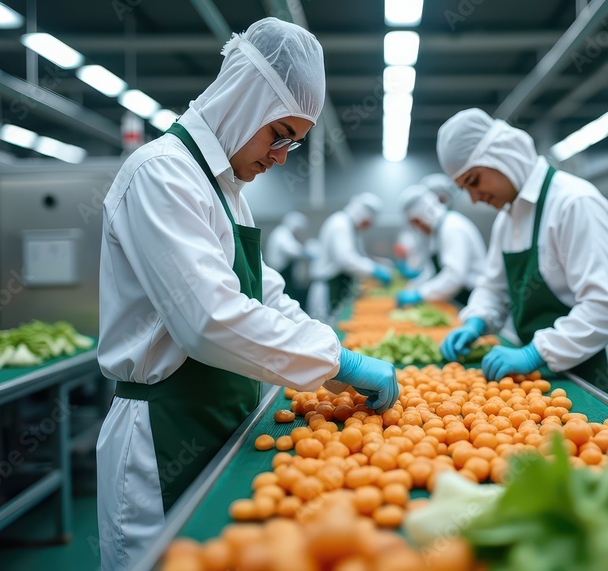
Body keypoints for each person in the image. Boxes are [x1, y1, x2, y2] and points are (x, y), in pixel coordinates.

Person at [95, 19, 399, 569]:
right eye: (279, 133)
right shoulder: (162, 175)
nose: (283, 155)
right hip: (161, 430)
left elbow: (269, 297)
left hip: (223, 415)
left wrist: (332, 352)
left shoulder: (226, 190)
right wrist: (338, 359)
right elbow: (208, 320)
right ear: (243, 101)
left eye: (296, 142)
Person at [436, 108, 608, 411]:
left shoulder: (574, 203)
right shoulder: (507, 219)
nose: (474, 198)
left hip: (597, 374)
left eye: (474, 180)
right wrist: (477, 320)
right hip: (544, 375)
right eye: (464, 189)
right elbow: (492, 289)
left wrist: (535, 352)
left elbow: (607, 306)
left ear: (499, 155)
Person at [394, 184, 487, 308]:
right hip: (459, 298)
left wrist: (420, 294)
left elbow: (453, 277)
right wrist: (412, 287)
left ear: (424, 214)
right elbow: (431, 271)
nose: (418, 228)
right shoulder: (438, 232)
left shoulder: (452, 228)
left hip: (472, 297)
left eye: (416, 222)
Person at [308, 193, 392, 320]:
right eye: (366, 223)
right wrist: (374, 270)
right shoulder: (340, 224)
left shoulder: (350, 227)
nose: (365, 228)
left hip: (337, 286)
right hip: (328, 288)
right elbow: (346, 260)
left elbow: (360, 255)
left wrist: (381, 263)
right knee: (326, 327)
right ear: (361, 217)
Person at [265, 211, 311, 305]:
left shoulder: (282, 232)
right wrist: (307, 252)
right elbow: (293, 250)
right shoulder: (282, 233)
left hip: (282, 271)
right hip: (279, 271)